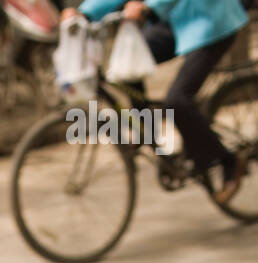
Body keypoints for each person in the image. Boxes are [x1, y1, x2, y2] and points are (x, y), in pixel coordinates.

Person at [60, 0, 251, 203]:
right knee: (127, 68)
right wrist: (85, 13)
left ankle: (228, 161)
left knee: (177, 102)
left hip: (210, 22)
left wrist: (150, 7)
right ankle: (146, 131)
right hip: (174, 21)